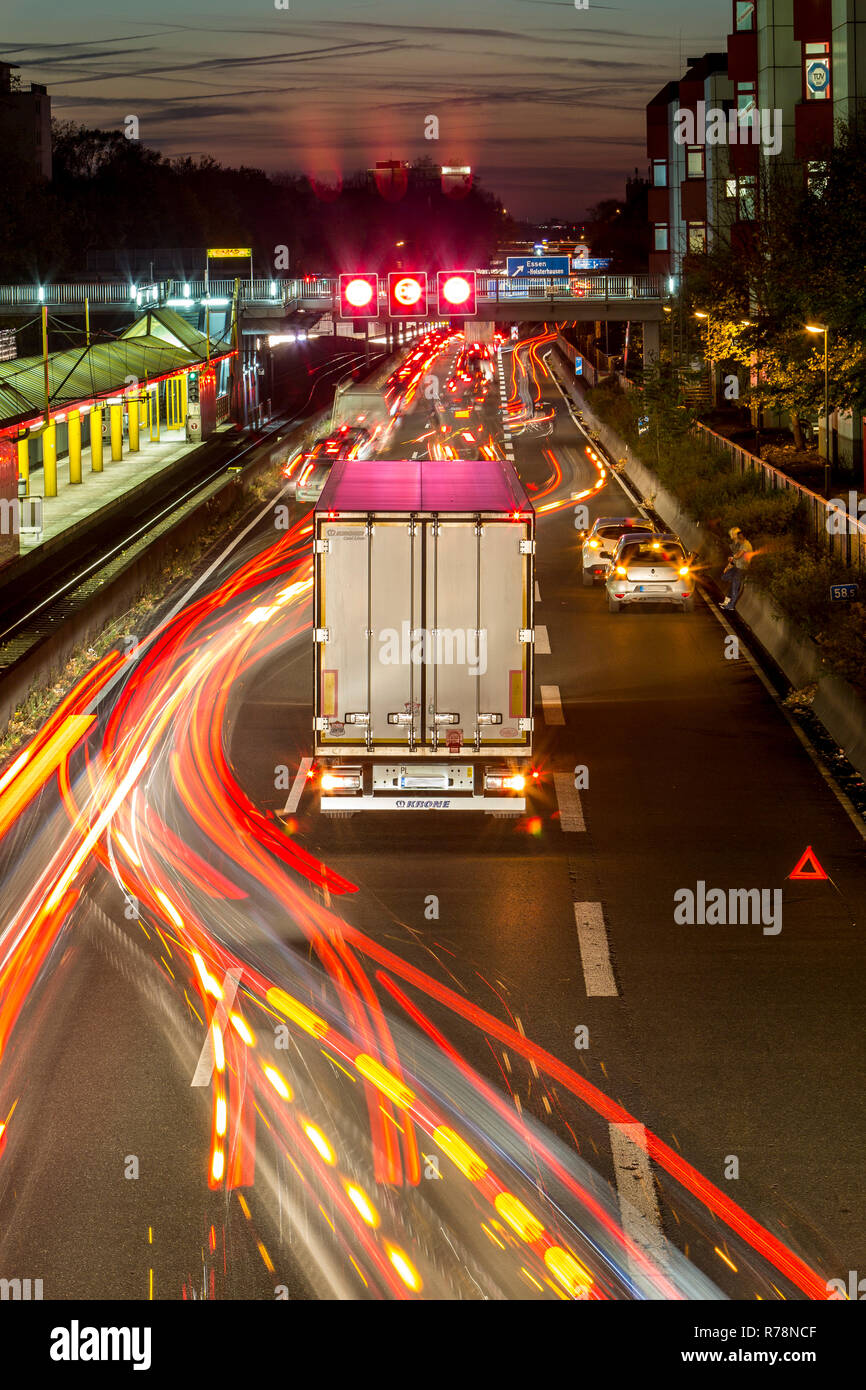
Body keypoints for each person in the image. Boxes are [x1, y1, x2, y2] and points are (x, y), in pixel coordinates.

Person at [720, 526, 753, 611]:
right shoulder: (739, 544)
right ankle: (728, 600)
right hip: (737, 566)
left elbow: (738, 556)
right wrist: (728, 566)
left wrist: (732, 557)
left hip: (742, 568)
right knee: (725, 577)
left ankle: (730, 605)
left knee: (735, 587)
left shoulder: (746, 545)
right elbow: (735, 557)